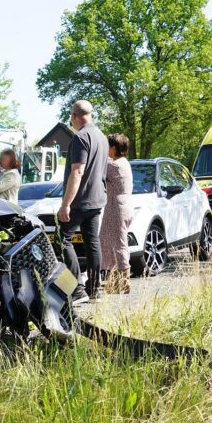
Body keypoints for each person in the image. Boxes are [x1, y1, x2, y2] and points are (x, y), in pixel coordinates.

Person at [57, 100, 108, 304]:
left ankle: (77, 289)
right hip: (97, 200)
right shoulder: (102, 137)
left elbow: (77, 172)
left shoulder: (80, 137)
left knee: (63, 240)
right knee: (92, 242)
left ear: (75, 116)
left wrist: (65, 204)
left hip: (80, 201)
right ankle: (95, 289)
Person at [101, 133, 133, 294]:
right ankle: (114, 279)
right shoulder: (124, 162)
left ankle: (123, 280)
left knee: (118, 242)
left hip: (116, 206)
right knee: (107, 240)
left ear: (113, 148)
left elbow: (98, 167)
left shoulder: (114, 165)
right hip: (123, 205)